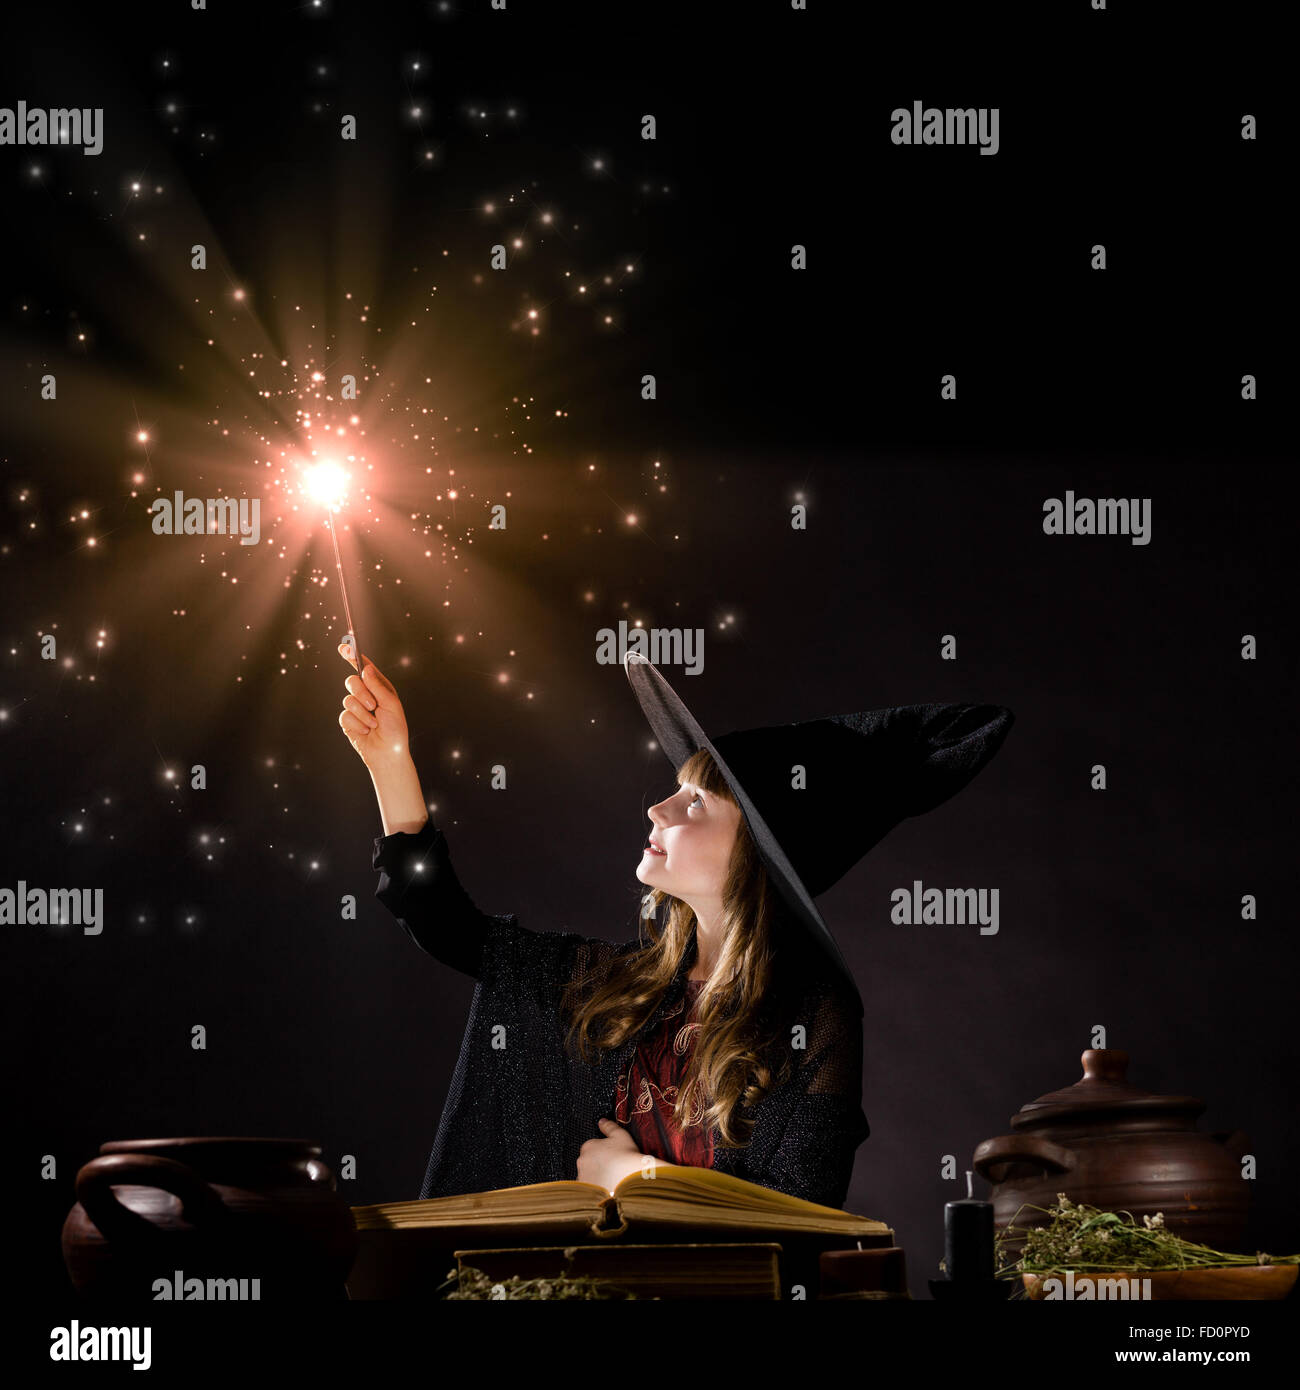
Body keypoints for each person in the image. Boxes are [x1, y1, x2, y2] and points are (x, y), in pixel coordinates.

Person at [337, 649, 874, 1209]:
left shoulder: (815, 1017)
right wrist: (390, 760)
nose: (658, 810)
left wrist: (635, 1177)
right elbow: (448, 927)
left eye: (697, 802)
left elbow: (802, 1221)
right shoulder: (619, 988)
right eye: (675, 790)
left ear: (758, 855)